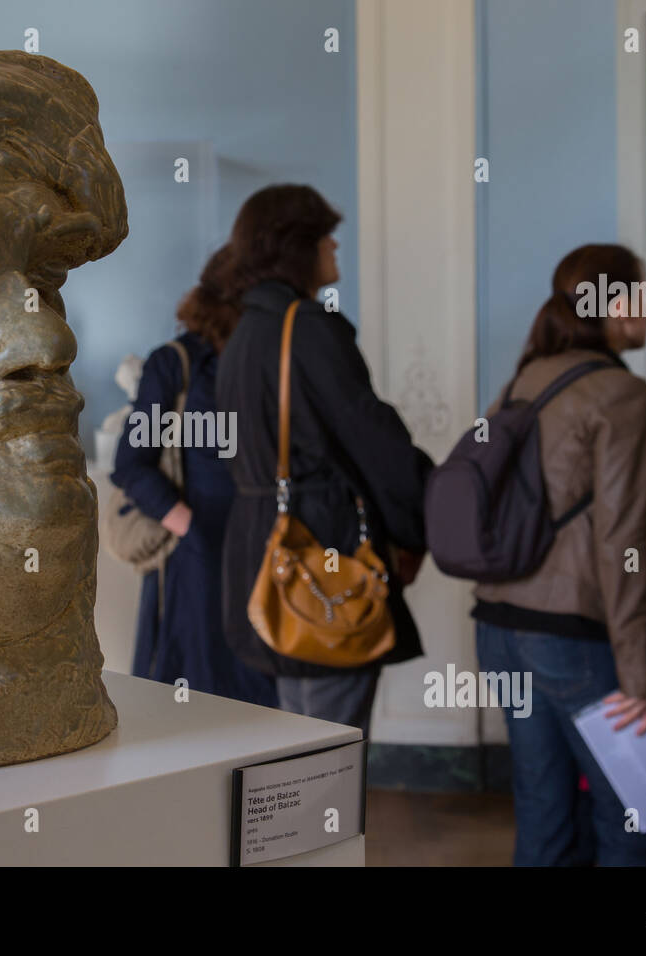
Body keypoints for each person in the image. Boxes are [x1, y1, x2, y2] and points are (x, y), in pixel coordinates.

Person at [216, 184, 432, 735]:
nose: (335, 245)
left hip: (262, 554)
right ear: (296, 246)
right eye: (323, 235)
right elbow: (376, 443)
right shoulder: (308, 328)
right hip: (319, 557)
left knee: (299, 741)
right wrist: (414, 530)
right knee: (324, 755)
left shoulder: (243, 332)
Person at [473, 243, 646, 866]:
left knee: (543, 810)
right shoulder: (620, 394)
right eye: (643, 290)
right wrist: (639, 676)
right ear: (614, 303)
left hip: (498, 625)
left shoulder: (526, 377)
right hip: (572, 637)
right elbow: (622, 543)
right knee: (635, 811)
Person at [111, 248, 277, 706]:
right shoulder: (175, 363)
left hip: (269, 551)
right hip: (197, 561)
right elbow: (131, 464)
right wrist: (190, 528)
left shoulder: (270, 362)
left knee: (267, 709)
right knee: (197, 705)